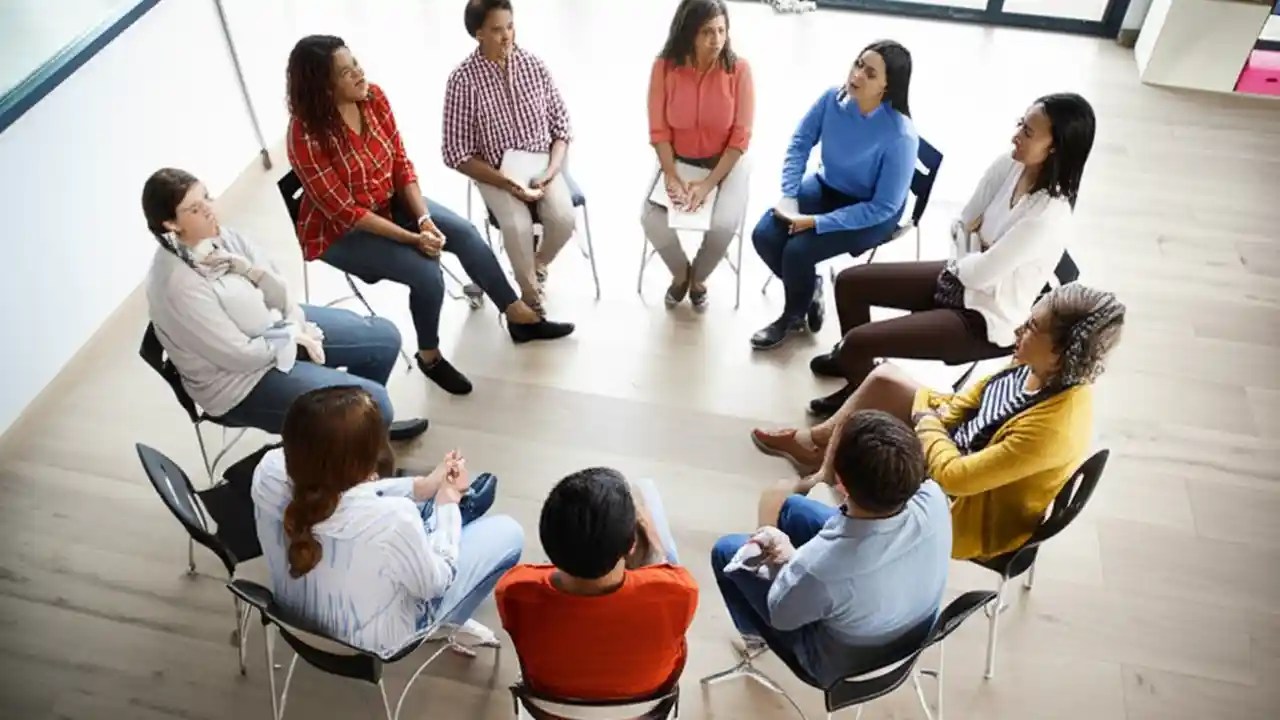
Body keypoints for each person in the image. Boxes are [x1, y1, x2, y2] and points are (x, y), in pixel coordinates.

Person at [286, 35, 573, 398]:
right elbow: (347, 212)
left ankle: (517, 316)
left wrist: (423, 220)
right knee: (426, 273)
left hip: (389, 202)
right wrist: (413, 239)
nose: (360, 74)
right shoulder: (304, 135)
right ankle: (430, 355)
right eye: (346, 73)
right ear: (323, 89)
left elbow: (401, 166)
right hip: (341, 232)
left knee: (465, 234)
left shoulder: (373, 98)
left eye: (355, 63)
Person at [750, 283, 1125, 560]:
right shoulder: (1033, 367)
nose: (1017, 331)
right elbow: (969, 402)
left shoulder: (1054, 426)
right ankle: (818, 461)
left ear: (1061, 353)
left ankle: (823, 525)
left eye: (1031, 328)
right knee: (884, 380)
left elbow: (956, 477)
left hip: (962, 507)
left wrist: (927, 419)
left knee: (862, 443)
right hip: (954, 448)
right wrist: (935, 415)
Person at [805, 93, 1097, 416]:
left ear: (1055, 147)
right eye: (1020, 124)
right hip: (957, 278)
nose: (1016, 135)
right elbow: (962, 224)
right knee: (849, 283)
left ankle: (858, 398)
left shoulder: (1048, 216)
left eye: (1028, 132)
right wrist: (979, 253)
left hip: (985, 317)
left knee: (859, 341)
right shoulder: (1009, 164)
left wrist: (976, 250)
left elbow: (980, 272)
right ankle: (856, 370)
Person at [143, 168, 428, 440]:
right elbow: (239, 355)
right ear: (171, 224)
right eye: (194, 208)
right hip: (242, 382)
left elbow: (276, 285)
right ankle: (355, 435)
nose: (209, 209)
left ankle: (357, 433)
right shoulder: (177, 286)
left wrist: (291, 319)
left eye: (206, 196)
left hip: (276, 329)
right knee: (377, 404)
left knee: (384, 339)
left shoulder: (216, 234)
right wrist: (291, 336)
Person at [251, 386, 524, 657]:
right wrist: (448, 501)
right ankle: (446, 619)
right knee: (508, 533)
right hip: (374, 644)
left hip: (293, 619)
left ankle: (437, 518)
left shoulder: (268, 471)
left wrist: (420, 486)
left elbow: (341, 494)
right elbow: (436, 584)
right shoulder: (393, 519)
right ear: (367, 460)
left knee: (412, 532)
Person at [711, 411, 951, 687]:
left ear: (841, 483)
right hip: (915, 630)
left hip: (846, 664)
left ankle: (754, 639)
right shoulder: (934, 498)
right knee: (793, 509)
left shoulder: (819, 570)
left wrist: (788, 563)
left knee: (725, 551)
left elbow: (782, 616)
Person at [750, 40, 918, 351]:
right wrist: (789, 197)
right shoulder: (832, 99)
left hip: (871, 211)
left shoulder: (901, 137)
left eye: (870, 73)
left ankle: (792, 316)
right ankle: (808, 288)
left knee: (797, 252)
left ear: (887, 86)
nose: (857, 75)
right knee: (764, 235)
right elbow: (800, 142)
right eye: (857, 64)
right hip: (829, 186)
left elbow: (883, 206)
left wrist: (816, 222)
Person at [497, 469, 697, 702]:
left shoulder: (515, 591)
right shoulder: (679, 591)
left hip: (555, 711)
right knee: (647, 493)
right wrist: (655, 547)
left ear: (547, 540)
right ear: (631, 545)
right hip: (643, 712)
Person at [444, 0, 576, 309]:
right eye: (497, 30)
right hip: (494, 169)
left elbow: (562, 128)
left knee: (563, 220)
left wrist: (551, 171)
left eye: (510, 26)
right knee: (518, 227)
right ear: (479, 34)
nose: (508, 37)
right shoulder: (462, 80)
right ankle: (530, 298)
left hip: (542, 164)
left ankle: (536, 266)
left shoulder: (534, 65)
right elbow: (455, 152)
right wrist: (507, 183)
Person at [643, 0, 754, 310]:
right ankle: (680, 273)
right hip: (677, 159)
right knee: (651, 218)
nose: (716, 39)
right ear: (689, 33)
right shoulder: (664, 67)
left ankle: (699, 278)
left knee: (722, 225)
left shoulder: (740, 70)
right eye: (707, 32)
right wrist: (671, 174)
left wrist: (707, 185)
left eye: (721, 31)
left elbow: (740, 138)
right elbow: (659, 130)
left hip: (726, 164)